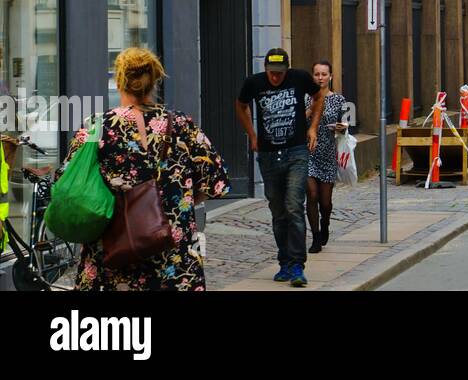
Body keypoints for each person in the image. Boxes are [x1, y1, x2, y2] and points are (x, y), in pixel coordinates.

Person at [62, 48, 228, 291]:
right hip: (171, 252)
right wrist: (178, 204)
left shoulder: (97, 127)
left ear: (119, 80)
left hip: (113, 251)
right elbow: (216, 181)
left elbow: (69, 182)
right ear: (154, 81)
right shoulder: (181, 124)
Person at [236, 47, 324, 287]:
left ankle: (297, 265)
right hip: (268, 154)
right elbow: (240, 105)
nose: (276, 77)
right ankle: (284, 261)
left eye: (280, 73)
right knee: (278, 210)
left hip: (296, 151)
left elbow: (319, 96)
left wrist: (313, 127)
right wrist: (252, 135)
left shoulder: (299, 78)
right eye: (272, 73)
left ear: (287, 69)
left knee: (294, 205)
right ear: (266, 69)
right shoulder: (253, 82)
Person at [306, 61, 349, 255]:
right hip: (308, 153)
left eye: (324, 74)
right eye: (317, 74)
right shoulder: (306, 98)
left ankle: (325, 223)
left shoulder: (339, 99)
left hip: (328, 154)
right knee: (311, 196)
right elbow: (298, 120)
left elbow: (348, 123)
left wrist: (342, 127)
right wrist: (312, 108)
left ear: (330, 76)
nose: (320, 77)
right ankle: (315, 237)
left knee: (325, 202)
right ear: (312, 76)